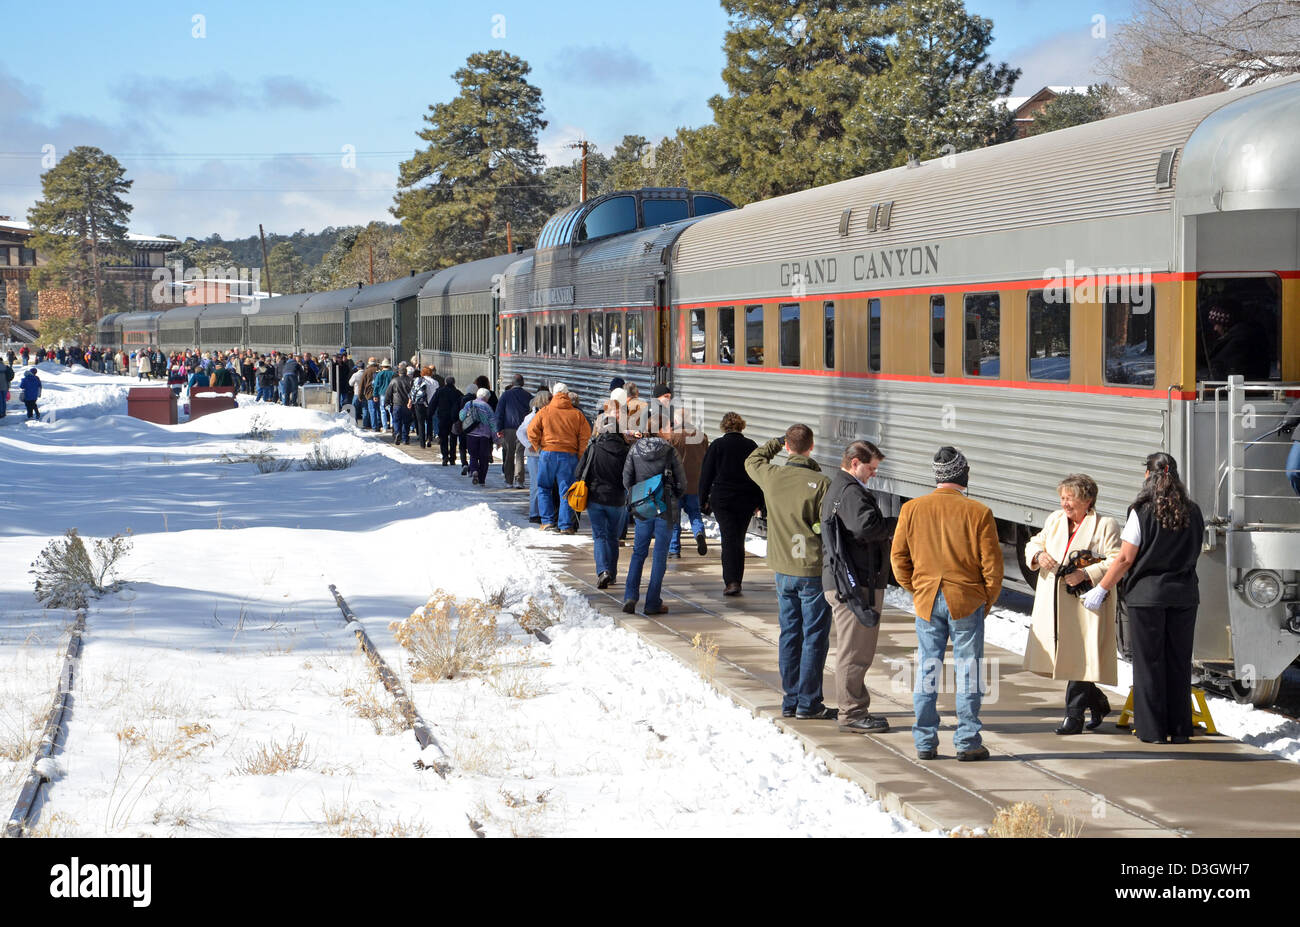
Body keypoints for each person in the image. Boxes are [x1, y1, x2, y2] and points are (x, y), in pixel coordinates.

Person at [1083, 453, 1205, 744]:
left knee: (1149, 663)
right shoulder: (1194, 510)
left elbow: (1125, 558)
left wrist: (1102, 588)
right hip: (1185, 594)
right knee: (1178, 662)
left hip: (1148, 596)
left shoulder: (1141, 511)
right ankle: (1179, 730)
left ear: (1149, 476)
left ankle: (1152, 731)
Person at [890, 446, 1003, 761]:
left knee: (928, 668)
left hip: (927, 601)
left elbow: (898, 559)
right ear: (963, 475)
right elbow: (992, 568)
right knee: (969, 671)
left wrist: (918, 589)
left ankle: (925, 742)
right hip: (966, 600)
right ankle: (967, 741)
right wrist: (986, 601)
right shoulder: (979, 512)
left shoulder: (912, 509)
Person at [744, 425, 835, 721]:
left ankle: (790, 699)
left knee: (790, 634)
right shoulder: (822, 482)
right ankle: (809, 702)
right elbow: (828, 527)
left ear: (787, 446)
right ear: (811, 448)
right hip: (811, 570)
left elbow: (752, 461)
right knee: (815, 637)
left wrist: (775, 444)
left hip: (783, 570)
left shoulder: (772, 476)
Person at [1022, 474, 1122, 734]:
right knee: (1072, 659)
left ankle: (1073, 717)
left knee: (1080, 656)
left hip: (1084, 603)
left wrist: (1086, 573)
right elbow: (1034, 542)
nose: (1065, 503)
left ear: (1088, 500)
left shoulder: (1106, 525)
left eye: (1070, 498)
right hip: (1055, 603)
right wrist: (1038, 554)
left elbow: (1116, 560)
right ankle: (1097, 701)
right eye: (1062, 498)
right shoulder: (1055, 520)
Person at [821, 441, 893, 734]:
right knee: (854, 652)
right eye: (871, 468)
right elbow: (865, 527)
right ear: (854, 463)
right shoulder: (850, 492)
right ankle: (851, 713)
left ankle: (854, 708)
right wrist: (892, 525)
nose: (873, 474)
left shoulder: (842, 487)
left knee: (855, 650)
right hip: (854, 583)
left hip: (848, 580)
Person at [622, 428, 685, 615]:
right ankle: (652, 602)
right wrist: (675, 496)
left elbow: (626, 479)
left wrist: (638, 495)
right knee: (660, 555)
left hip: (643, 508)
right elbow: (682, 481)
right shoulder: (670, 450)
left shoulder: (634, 450)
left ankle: (630, 596)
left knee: (638, 553)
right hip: (665, 506)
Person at [699, 412, 764, 596]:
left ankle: (731, 581)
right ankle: (737, 580)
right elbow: (758, 475)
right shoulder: (751, 446)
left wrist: (702, 500)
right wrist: (760, 501)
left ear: (724, 427)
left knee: (728, 539)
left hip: (723, 500)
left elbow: (706, 475)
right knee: (739, 539)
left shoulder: (718, 446)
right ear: (741, 426)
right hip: (745, 499)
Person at [527, 384, 591, 533]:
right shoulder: (577, 414)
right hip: (569, 456)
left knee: (544, 487)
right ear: (567, 395)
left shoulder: (544, 411)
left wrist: (539, 447)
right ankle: (565, 525)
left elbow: (531, 431)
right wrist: (580, 456)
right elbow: (584, 438)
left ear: (553, 394)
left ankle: (547, 521)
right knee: (567, 491)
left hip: (548, 454)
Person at [580, 409, 631, 589]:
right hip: (617, 500)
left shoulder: (593, 448)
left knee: (599, 536)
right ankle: (613, 574)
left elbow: (579, 472)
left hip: (596, 498)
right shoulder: (626, 451)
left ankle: (603, 571)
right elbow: (630, 476)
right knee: (612, 537)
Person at [665, 409, 710, 559]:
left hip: (676, 485)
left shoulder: (672, 437)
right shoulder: (701, 437)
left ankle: (674, 549)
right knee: (695, 514)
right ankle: (698, 533)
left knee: (674, 518)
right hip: (695, 484)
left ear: (677, 421)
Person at [518, 390, 551, 523]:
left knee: (543, 484)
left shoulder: (545, 414)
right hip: (535, 455)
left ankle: (541, 512)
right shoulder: (532, 416)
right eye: (549, 398)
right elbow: (520, 432)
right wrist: (529, 444)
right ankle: (534, 513)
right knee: (536, 485)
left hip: (544, 453)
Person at [495, 374, 533, 489]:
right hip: (523, 429)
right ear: (523, 383)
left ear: (512, 383)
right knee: (520, 455)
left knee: (509, 455)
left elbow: (499, 413)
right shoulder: (528, 396)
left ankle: (508, 481)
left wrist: (498, 429)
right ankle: (519, 481)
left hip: (508, 429)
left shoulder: (506, 395)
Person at [460, 387, 496, 484]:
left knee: (473, 455)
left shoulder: (469, 404)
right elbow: (493, 423)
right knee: (484, 457)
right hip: (484, 436)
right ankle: (482, 479)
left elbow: (461, 416)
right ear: (486, 398)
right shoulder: (488, 407)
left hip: (471, 434)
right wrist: (495, 438)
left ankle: (474, 470)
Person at [432, 376, 464, 465]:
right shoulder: (458, 393)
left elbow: (433, 403)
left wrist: (429, 413)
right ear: (454, 383)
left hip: (443, 418)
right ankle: (452, 457)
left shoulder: (439, 391)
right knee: (453, 438)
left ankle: (445, 456)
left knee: (443, 438)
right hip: (454, 419)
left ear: (446, 382)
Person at [387, 365, 415, 446]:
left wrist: (387, 402)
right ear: (406, 372)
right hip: (407, 404)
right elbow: (413, 392)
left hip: (397, 403)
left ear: (399, 373)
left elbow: (389, 392)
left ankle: (397, 433)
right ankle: (405, 438)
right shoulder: (410, 381)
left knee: (396, 421)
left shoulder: (394, 380)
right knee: (406, 422)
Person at [411, 366, 437, 449]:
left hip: (420, 404)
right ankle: (429, 439)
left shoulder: (418, 380)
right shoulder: (435, 382)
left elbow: (413, 391)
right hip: (431, 404)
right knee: (429, 422)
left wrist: (411, 401)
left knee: (421, 423)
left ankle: (422, 443)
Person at [372, 360, 395, 430]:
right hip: (391, 393)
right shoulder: (393, 373)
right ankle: (392, 425)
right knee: (391, 409)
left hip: (382, 393)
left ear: (382, 366)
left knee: (382, 410)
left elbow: (376, 385)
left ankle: (384, 427)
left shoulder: (379, 374)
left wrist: (375, 395)